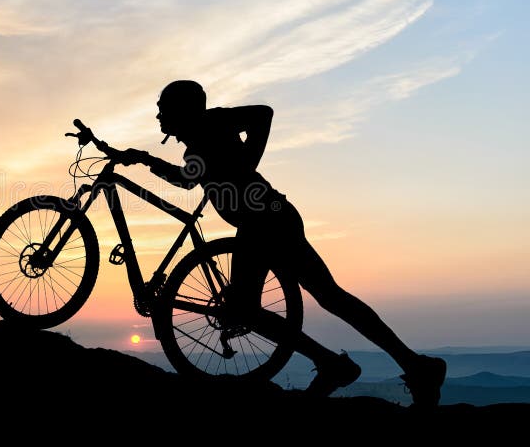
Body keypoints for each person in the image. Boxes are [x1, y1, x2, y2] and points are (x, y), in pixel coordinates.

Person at [115, 79, 447, 407]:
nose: (158, 117)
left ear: (182, 110)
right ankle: (410, 366)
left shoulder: (212, 122)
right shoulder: (196, 146)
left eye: (163, 110)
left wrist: (248, 162)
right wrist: (145, 159)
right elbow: (186, 181)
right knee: (319, 299)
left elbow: (263, 113)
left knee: (260, 308)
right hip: (268, 218)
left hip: (265, 220)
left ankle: (345, 365)